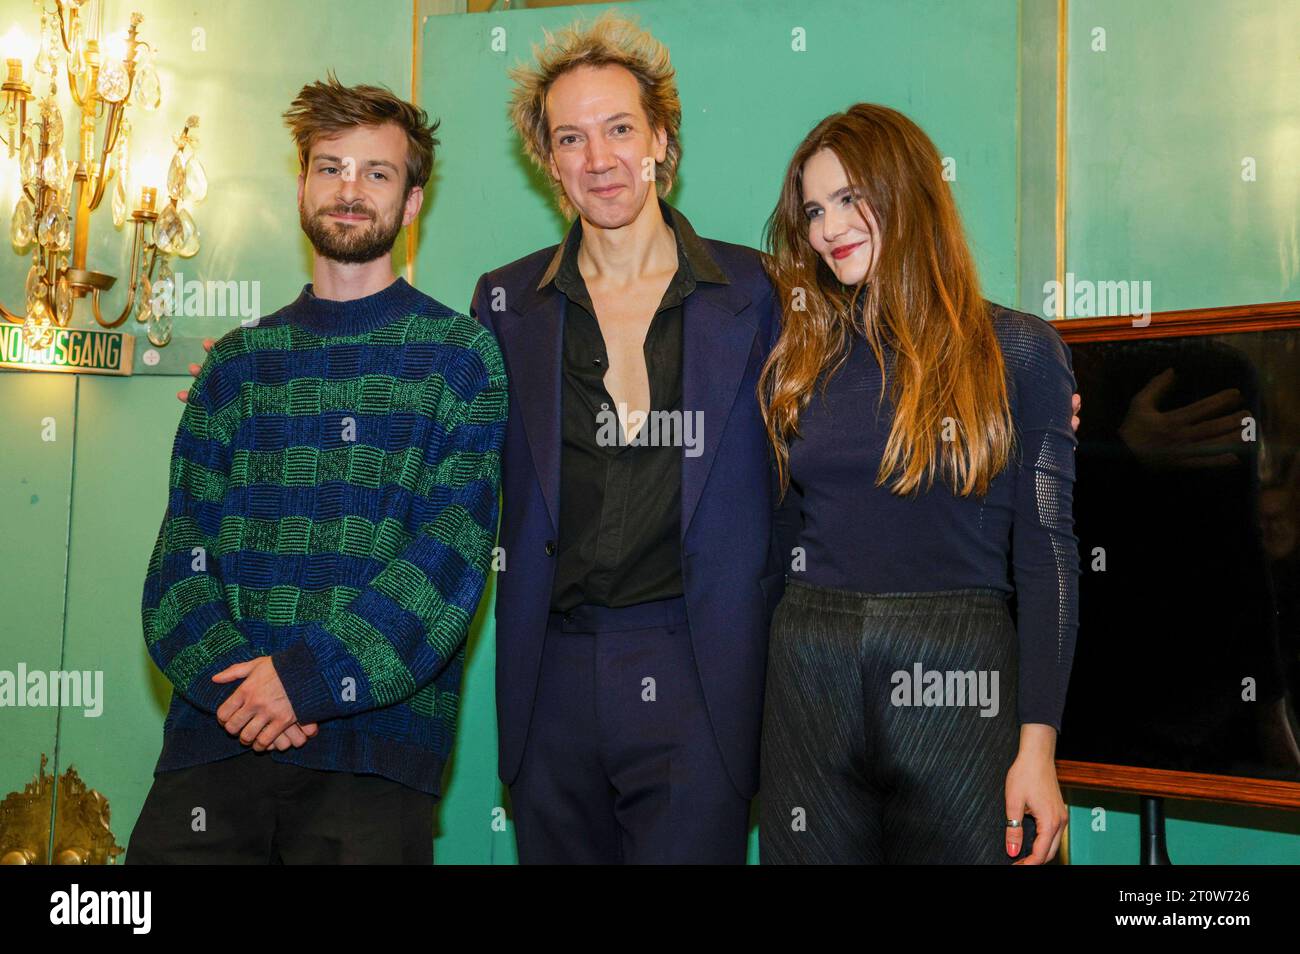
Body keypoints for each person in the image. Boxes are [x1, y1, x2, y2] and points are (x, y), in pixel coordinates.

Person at [129, 73, 506, 864]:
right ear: (302, 186)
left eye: (377, 172)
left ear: (411, 205)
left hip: (374, 761)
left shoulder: (461, 359)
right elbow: (178, 562)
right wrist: (247, 689)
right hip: (215, 743)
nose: (350, 188)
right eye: (330, 166)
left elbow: (446, 562)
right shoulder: (237, 364)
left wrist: (304, 679)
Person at [468, 12, 783, 863]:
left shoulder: (757, 292)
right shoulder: (505, 305)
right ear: (549, 161)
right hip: (552, 671)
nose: (598, 158)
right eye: (571, 138)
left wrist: (1016, 386)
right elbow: (444, 452)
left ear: (662, 141)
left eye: (618, 129)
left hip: (700, 667)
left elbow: (847, 408)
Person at [758, 103, 1078, 864]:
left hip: (961, 671)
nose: (829, 226)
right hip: (809, 669)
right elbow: (775, 543)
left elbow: (1049, 557)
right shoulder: (798, 358)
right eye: (812, 209)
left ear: (908, 193)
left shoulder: (1020, 351)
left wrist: (1040, 747)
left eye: (849, 198)